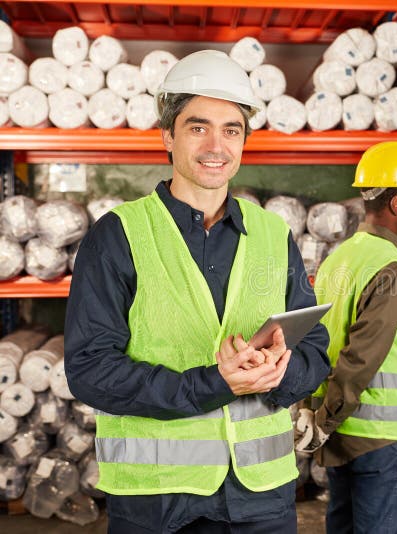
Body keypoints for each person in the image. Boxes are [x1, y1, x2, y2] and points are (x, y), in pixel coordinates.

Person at [64, 49, 330, 533]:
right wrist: (213, 384)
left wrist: (281, 374)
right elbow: (90, 370)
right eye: (198, 126)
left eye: (232, 129)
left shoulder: (274, 234)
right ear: (167, 134)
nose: (217, 145)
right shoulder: (119, 236)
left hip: (261, 499)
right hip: (158, 502)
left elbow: (314, 347)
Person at [294, 141, 397, 534]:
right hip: (383, 438)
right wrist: (325, 418)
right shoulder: (395, 267)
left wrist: (313, 411)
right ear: (396, 204)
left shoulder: (338, 258)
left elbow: (314, 338)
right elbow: (362, 356)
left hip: (342, 436)